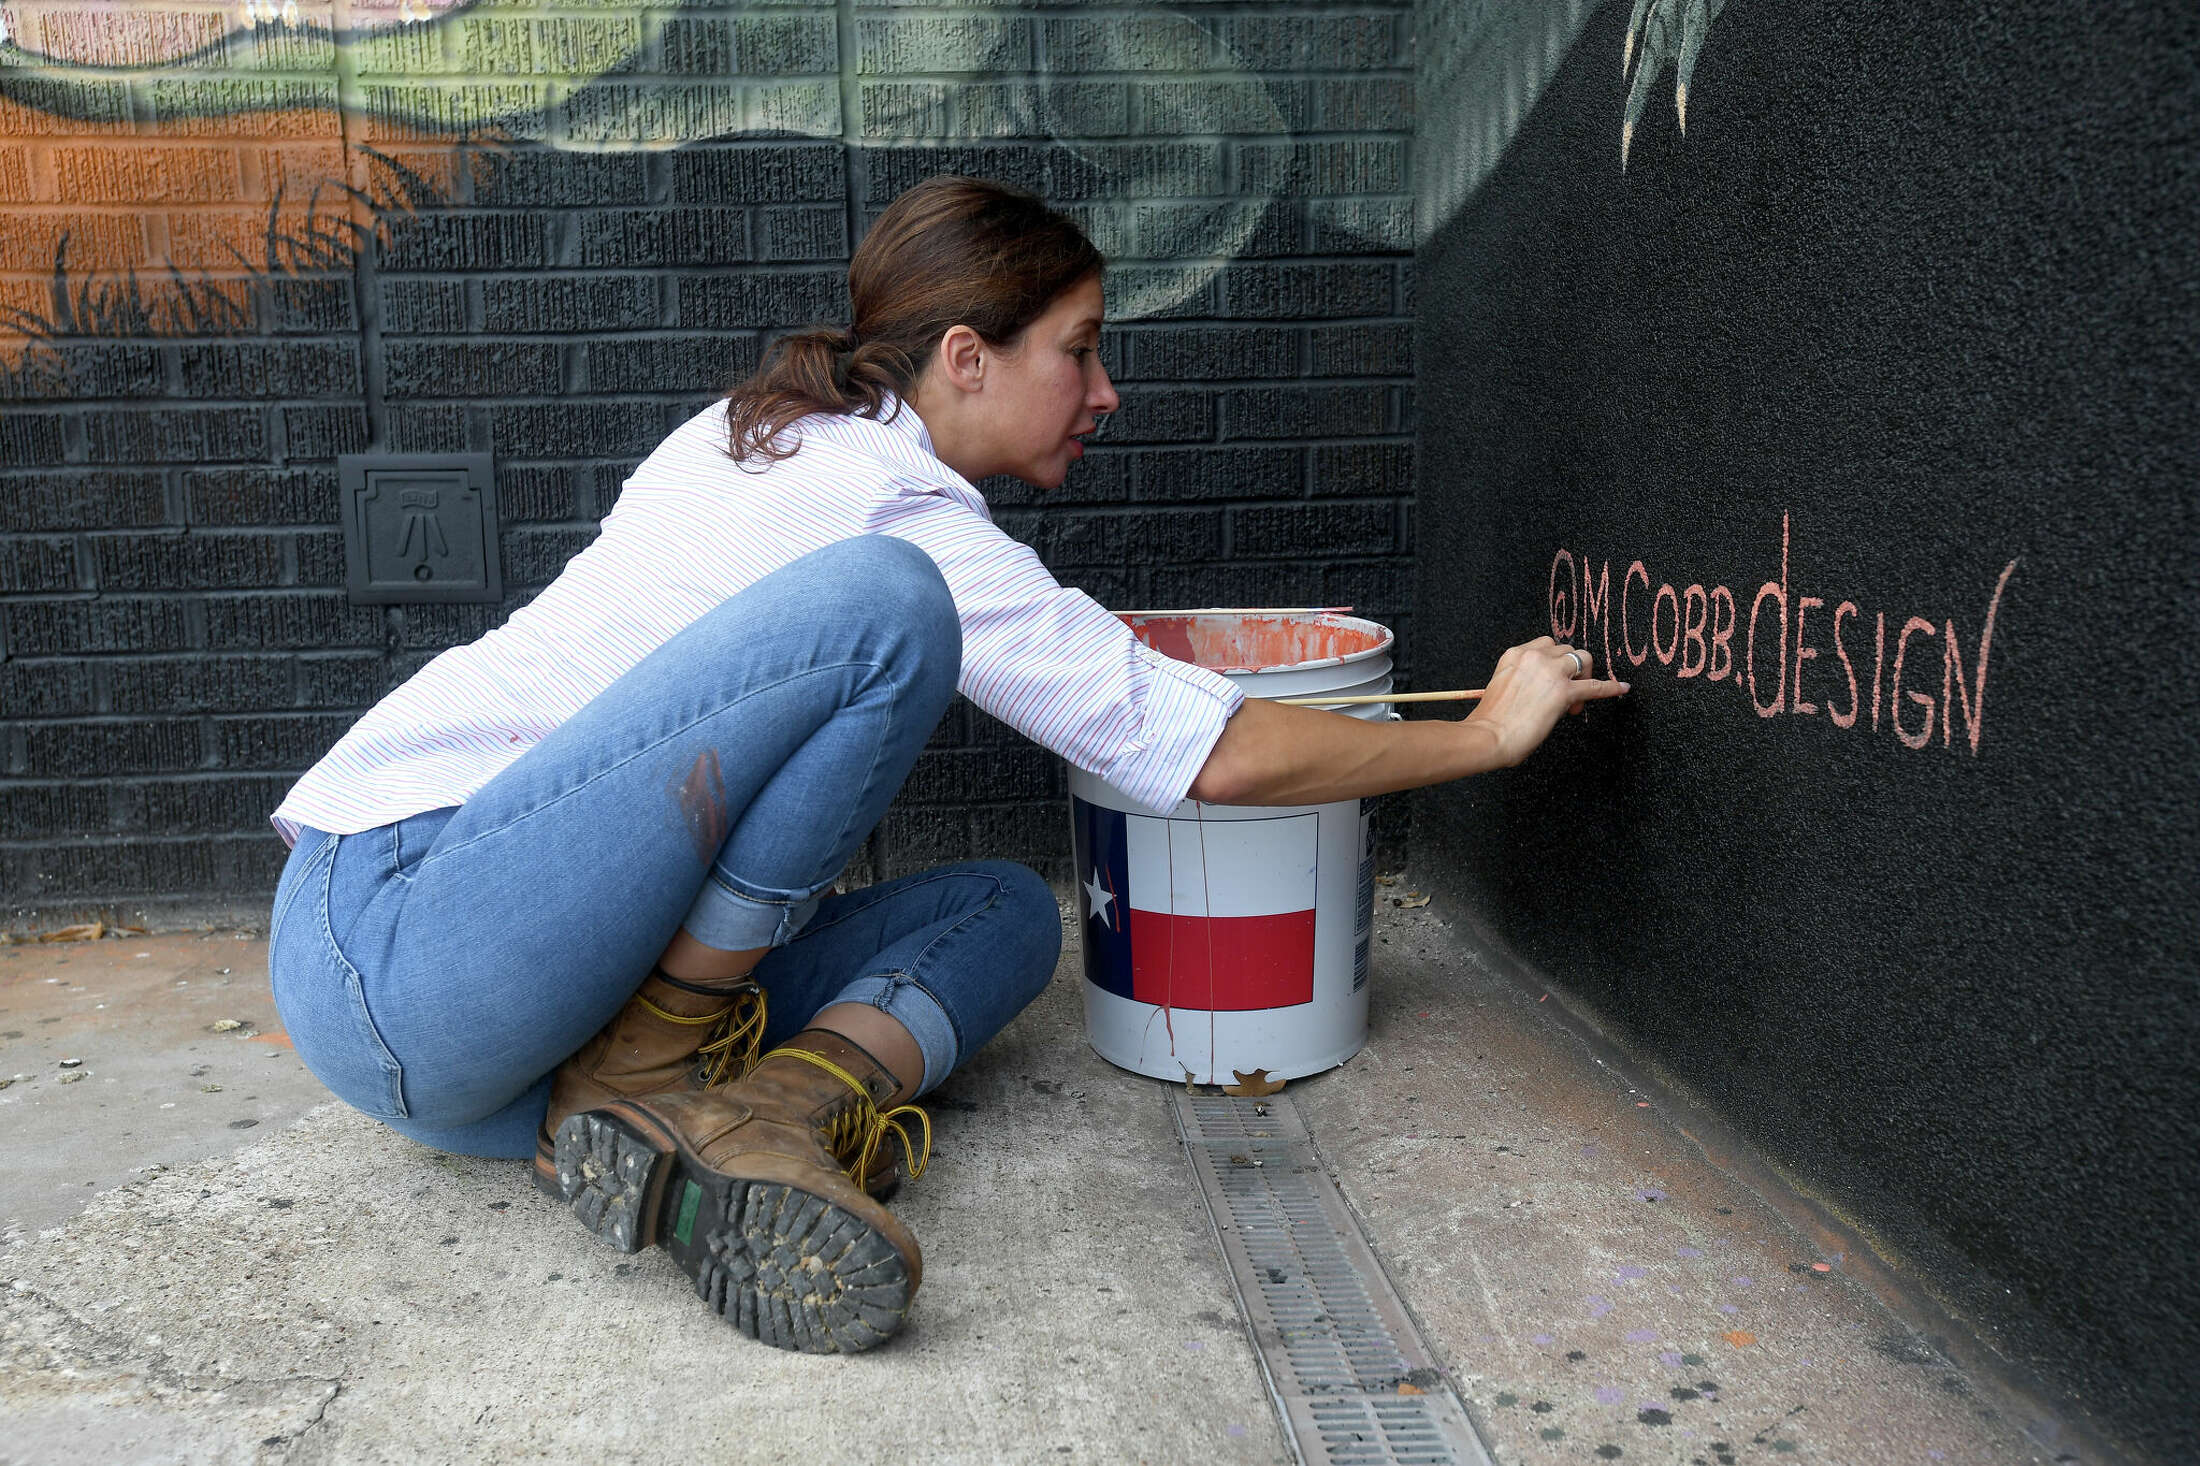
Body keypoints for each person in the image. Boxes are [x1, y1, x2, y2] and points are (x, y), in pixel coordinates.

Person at [265, 175, 1629, 1357]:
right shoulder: (876, 498)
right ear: (967, 356)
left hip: (512, 1060)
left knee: (998, 915)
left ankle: (750, 1117)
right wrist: (1487, 733)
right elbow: (1196, 750)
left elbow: (1156, 712)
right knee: (889, 609)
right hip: (395, 932)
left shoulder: (782, 435)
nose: (1106, 390)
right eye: (1080, 351)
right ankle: (660, 1072)